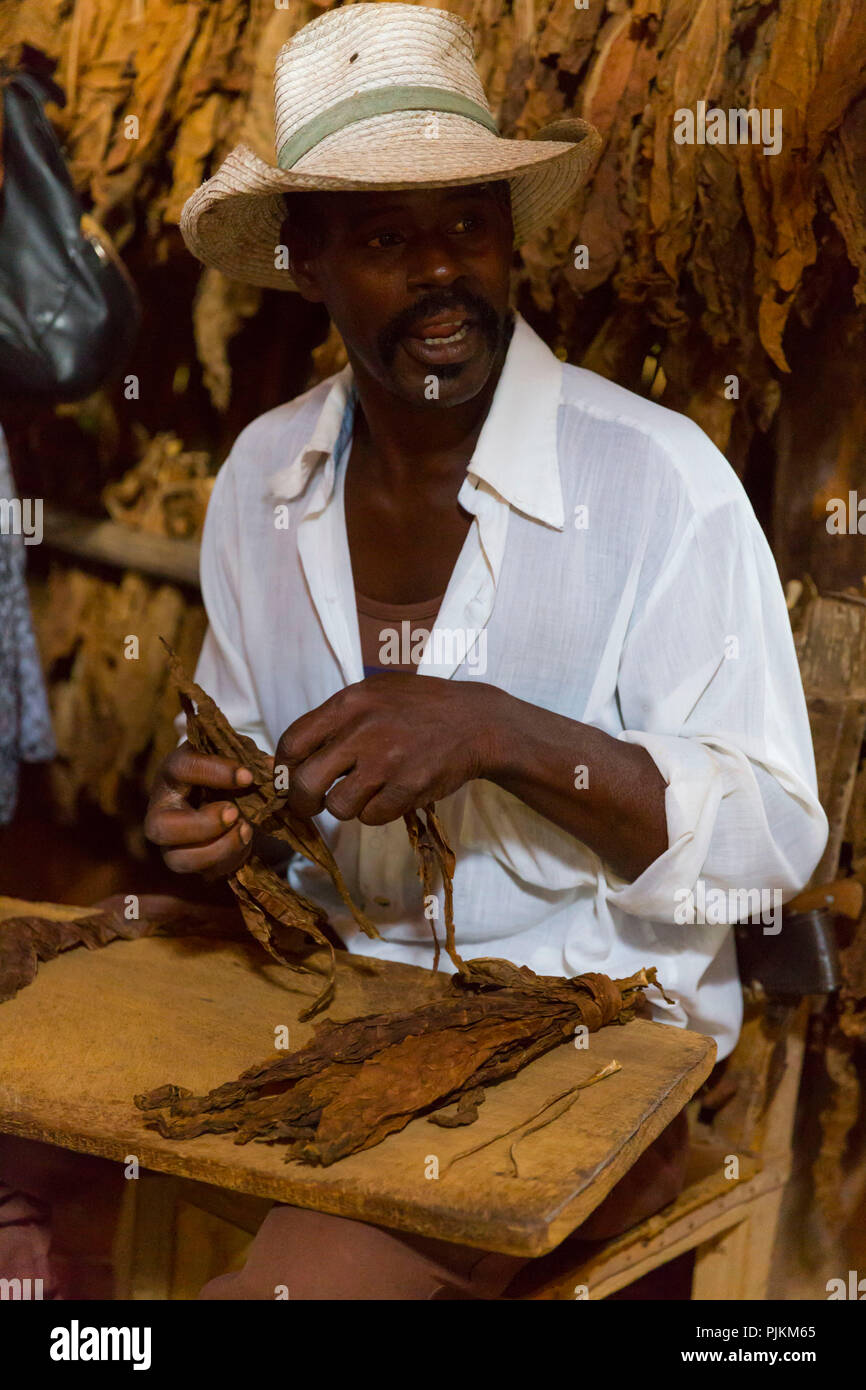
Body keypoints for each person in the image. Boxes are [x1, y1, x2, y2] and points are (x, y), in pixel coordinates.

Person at [144, 4, 827, 1299]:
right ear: (306, 258)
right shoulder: (261, 479)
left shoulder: (654, 481)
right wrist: (220, 818)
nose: (441, 271)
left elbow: (776, 848)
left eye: (467, 224)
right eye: (388, 238)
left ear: (509, 237)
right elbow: (245, 773)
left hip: (600, 1044)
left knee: (291, 1288)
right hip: (345, 1015)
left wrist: (502, 732)